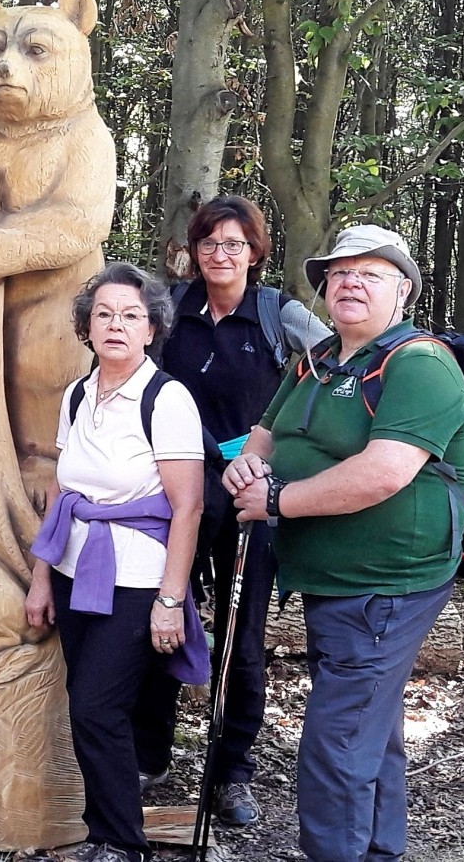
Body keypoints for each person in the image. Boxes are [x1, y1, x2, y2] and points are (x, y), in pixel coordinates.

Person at [225, 225, 464, 862]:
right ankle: (377, 851)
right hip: (333, 579)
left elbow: (384, 472)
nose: (350, 283)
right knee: (370, 731)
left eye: (370, 273)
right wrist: (248, 467)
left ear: (404, 290)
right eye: (339, 273)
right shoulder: (317, 358)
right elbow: (266, 431)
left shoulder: (419, 363)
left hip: (388, 582)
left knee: (336, 745)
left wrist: (277, 501)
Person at [136, 195, 331, 823]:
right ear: (192, 250)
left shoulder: (282, 315)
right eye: (210, 243)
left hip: (252, 496)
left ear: (255, 252)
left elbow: (334, 381)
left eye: (236, 244)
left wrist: (279, 452)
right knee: (162, 613)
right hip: (175, 493)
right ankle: (150, 754)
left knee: (241, 638)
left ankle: (231, 771)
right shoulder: (167, 311)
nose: (222, 255)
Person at [24, 262, 207, 862]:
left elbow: (188, 508)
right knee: (91, 704)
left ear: (152, 328)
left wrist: (171, 600)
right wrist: (41, 578)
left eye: (130, 316)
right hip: (78, 571)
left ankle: (120, 842)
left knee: (96, 706)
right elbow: (60, 494)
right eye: (103, 314)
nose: (116, 325)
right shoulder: (78, 393)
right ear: (86, 326)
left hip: (137, 578)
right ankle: (107, 832)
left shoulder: (166, 398)